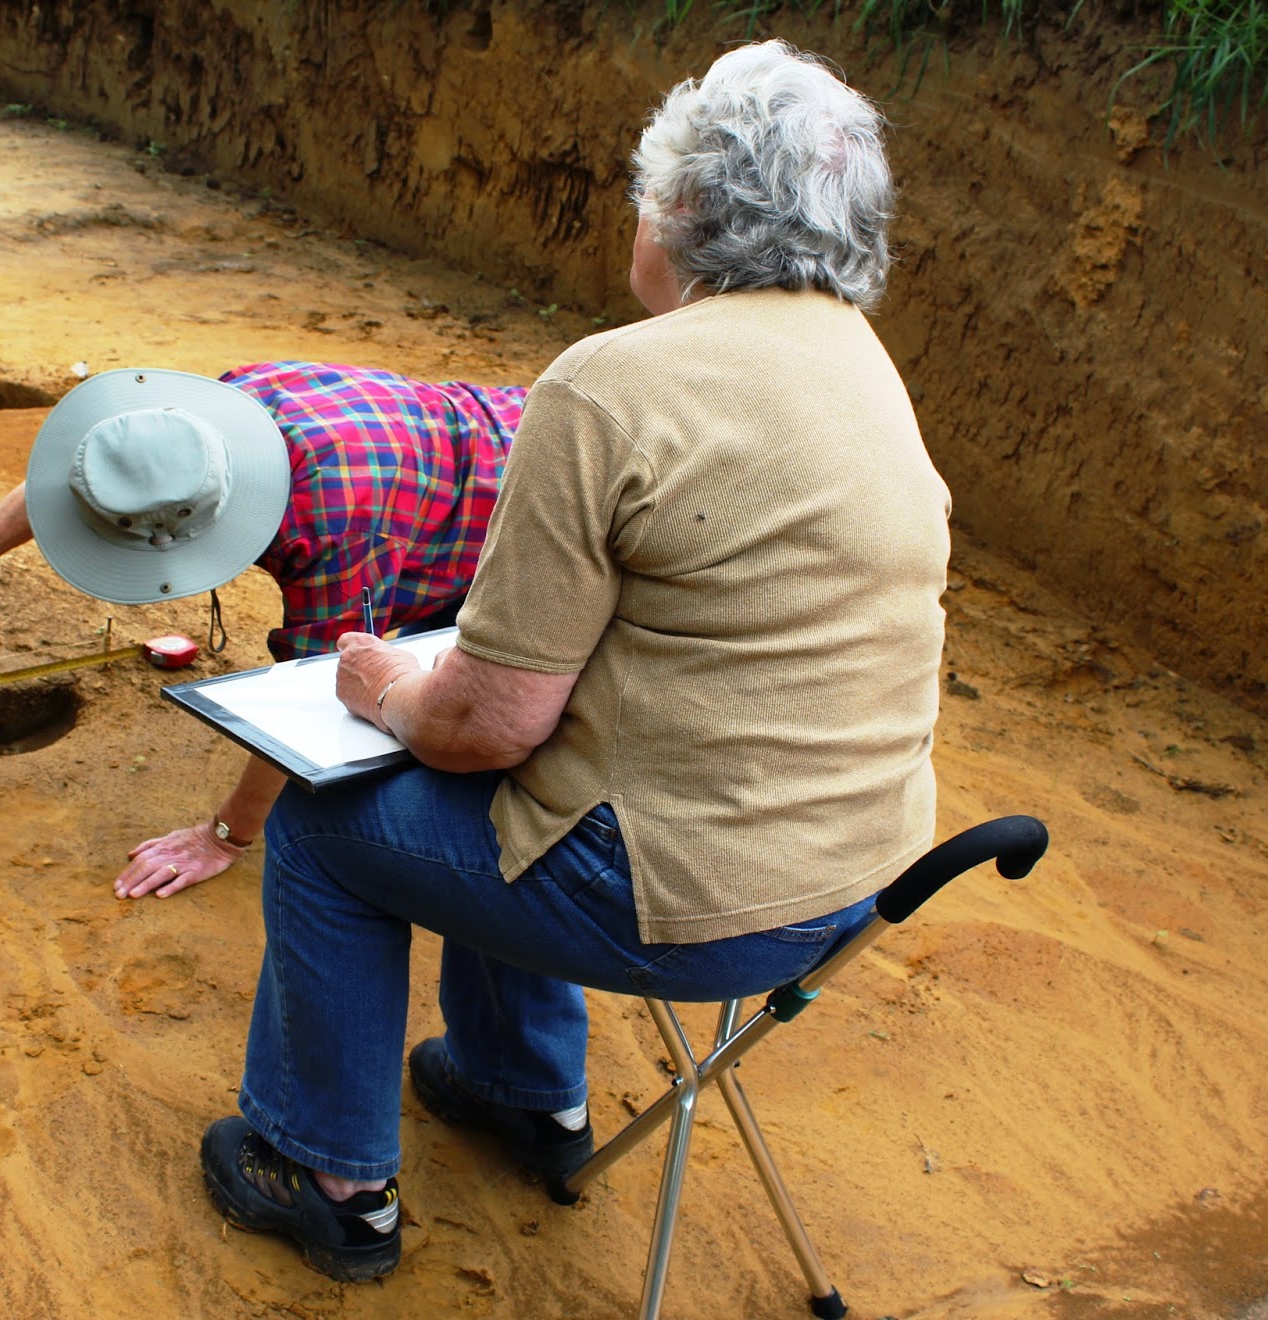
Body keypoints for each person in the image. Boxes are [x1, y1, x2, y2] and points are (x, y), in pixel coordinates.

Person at [193, 39, 953, 1284]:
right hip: (853, 877)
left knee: (331, 830)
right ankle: (518, 1090)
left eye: (647, 191)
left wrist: (389, 688)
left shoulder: (609, 384)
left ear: (689, 209)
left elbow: (486, 725)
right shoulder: (864, 367)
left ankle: (325, 1175)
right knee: (511, 795)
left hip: (694, 903)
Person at [0, 360, 525, 898]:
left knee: (452, 727)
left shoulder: (336, 529)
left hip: (515, 516)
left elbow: (318, 690)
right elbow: (90, 475)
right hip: (445, 454)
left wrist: (223, 837)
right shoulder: (217, 419)